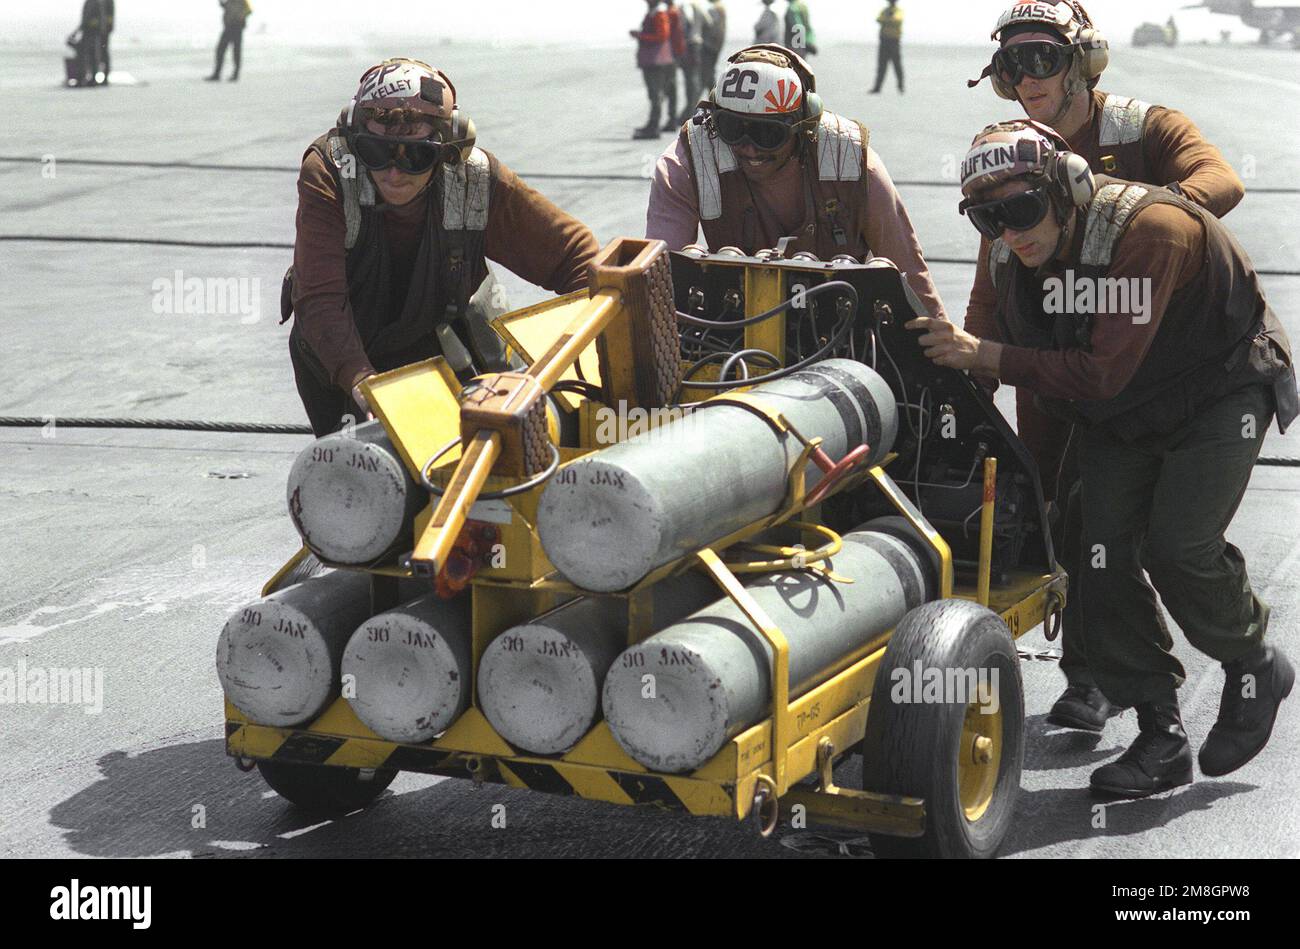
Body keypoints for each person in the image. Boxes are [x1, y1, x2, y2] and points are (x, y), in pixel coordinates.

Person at [909, 120, 1296, 798]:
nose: (1008, 232)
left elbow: (1100, 372)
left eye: (1022, 210)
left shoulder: (1149, 231)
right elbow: (988, 325)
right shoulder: (1005, 244)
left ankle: (1252, 659)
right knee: (1092, 543)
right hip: (1123, 408)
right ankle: (1160, 731)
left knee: (1177, 545)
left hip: (1217, 388)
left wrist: (985, 356)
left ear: (1068, 190)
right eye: (987, 216)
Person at [965, 0, 1246, 734]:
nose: (1026, 77)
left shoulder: (1140, 128)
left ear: (1083, 62)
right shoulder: (1006, 158)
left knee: (1156, 536)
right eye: (1011, 64)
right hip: (1057, 359)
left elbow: (1220, 181)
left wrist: (1134, 229)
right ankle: (1089, 675)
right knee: (1070, 518)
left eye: (1042, 59)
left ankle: (1152, 679)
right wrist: (969, 379)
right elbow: (992, 283)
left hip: (1147, 353)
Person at [284, 58, 601, 436]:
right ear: (354, 142)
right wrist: (360, 381)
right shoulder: (331, 172)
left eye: (416, 156)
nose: (394, 172)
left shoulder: (473, 178)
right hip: (340, 349)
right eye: (376, 152)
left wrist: (575, 354)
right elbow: (320, 298)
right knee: (359, 470)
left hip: (437, 341)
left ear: (449, 149)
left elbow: (574, 255)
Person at [646, 44, 946, 322]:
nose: (749, 148)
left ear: (804, 127)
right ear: (715, 121)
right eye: (733, 128)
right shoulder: (687, 163)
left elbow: (907, 271)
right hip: (735, 321)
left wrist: (949, 367)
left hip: (841, 325)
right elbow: (660, 278)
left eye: (767, 135)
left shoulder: (852, 162)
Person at [632, 1, 679, 139]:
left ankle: (653, 126)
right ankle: (653, 125)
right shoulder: (656, 13)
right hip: (655, 60)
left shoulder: (659, 14)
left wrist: (640, 36)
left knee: (656, 93)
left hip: (656, 61)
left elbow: (662, 35)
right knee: (656, 93)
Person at [207, 0, 252, 82]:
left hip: (237, 27)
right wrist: (223, 5)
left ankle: (234, 74)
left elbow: (249, 10)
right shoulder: (230, 1)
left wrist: (239, 17)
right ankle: (217, 73)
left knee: (235, 51)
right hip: (229, 27)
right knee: (221, 50)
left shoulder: (242, 1)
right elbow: (228, 9)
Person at [870, 1, 903, 94]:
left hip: (894, 42)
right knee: (882, 66)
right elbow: (879, 19)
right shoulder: (885, 11)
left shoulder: (898, 11)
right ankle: (877, 87)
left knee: (897, 65)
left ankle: (900, 86)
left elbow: (897, 20)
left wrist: (886, 20)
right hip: (884, 41)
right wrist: (888, 19)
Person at [700, 1, 728, 92]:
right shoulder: (721, 8)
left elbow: (708, 24)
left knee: (706, 73)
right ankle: (714, 100)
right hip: (717, 45)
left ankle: (697, 101)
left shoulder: (713, 9)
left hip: (709, 45)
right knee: (710, 73)